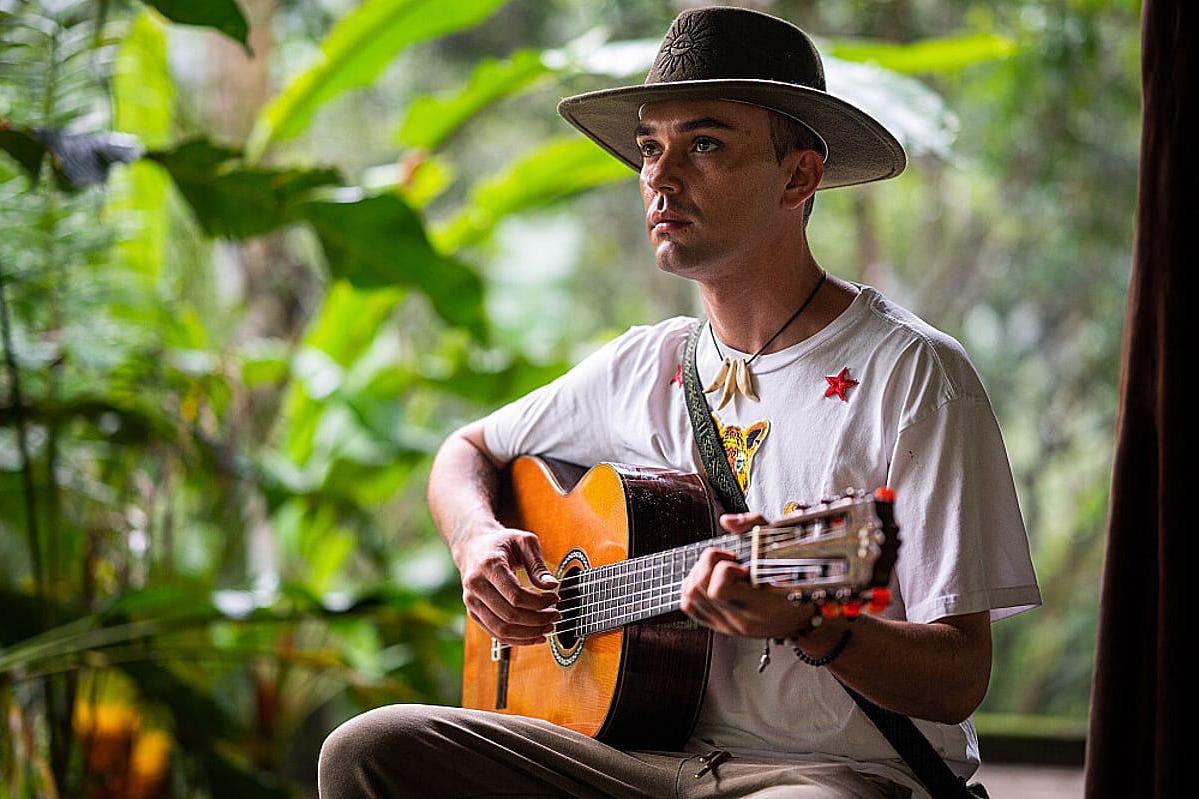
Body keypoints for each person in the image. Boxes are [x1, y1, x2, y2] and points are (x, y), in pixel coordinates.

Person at [318, 6, 1040, 798]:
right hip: (639, 759)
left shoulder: (913, 375)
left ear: (798, 176)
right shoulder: (645, 363)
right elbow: (467, 451)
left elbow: (958, 675)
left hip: (826, 774)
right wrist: (477, 541)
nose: (661, 177)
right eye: (650, 149)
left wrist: (808, 621)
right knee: (367, 749)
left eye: (703, 144)